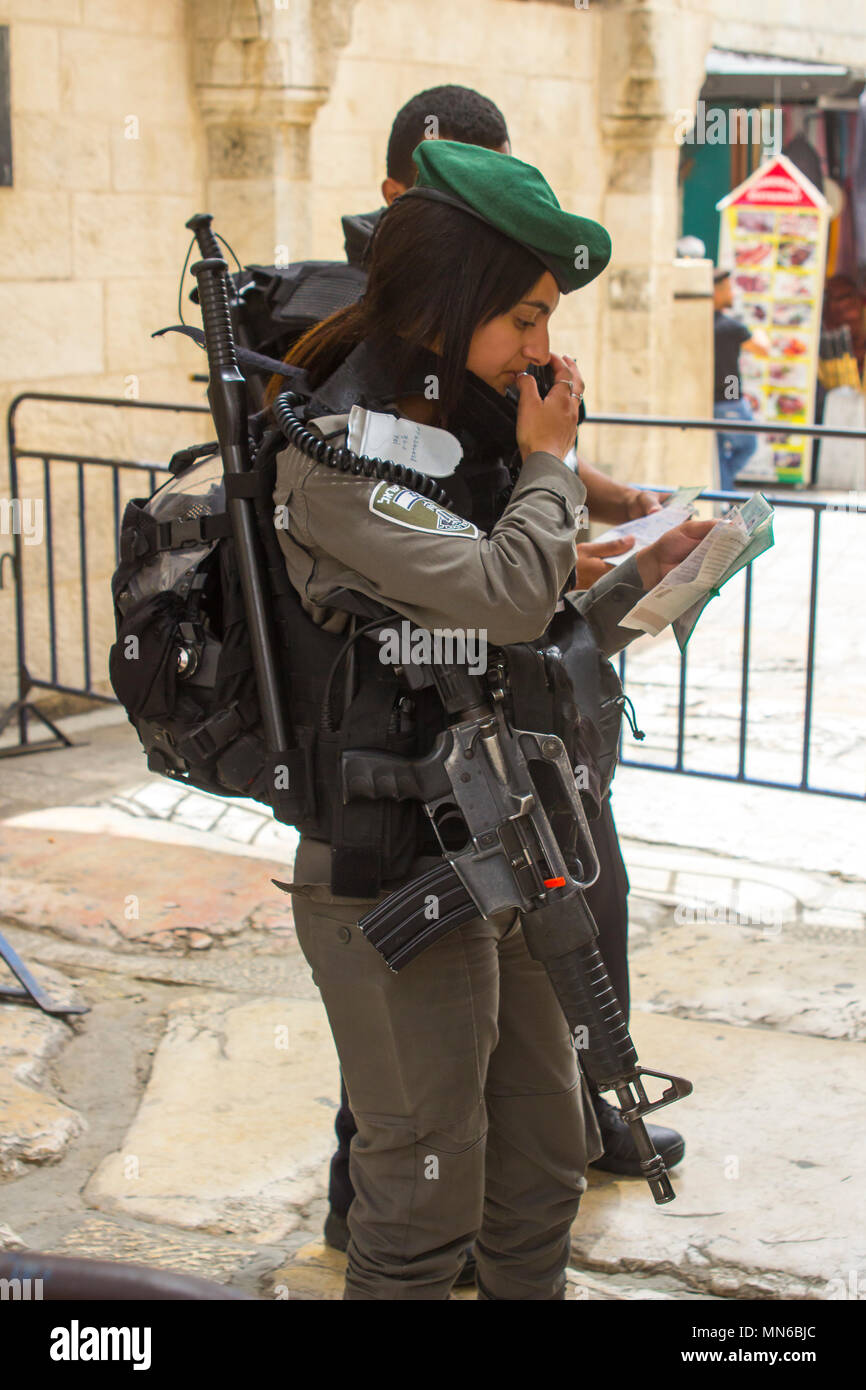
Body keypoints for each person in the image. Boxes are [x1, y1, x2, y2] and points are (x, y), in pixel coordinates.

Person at [271, 137, 714, 1299]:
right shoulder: (340, 442)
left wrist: (649, 575)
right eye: (522, 316)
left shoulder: (464, 429)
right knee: (422, 1193)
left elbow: (521, 622)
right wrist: (551, 466)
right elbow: (507, 593)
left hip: (511, 835)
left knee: (541, 1159)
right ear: (454, 295)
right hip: (393, 854)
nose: (541, 348)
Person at [713, 267, 769, 493]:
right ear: (716, 291)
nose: (733, 293)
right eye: (728, 288)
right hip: (729, 397)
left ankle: (721, 494)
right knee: (747, 446)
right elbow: (762, 348)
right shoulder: (731, 326)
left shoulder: (712, 323)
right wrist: (759, 328)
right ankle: (724, 493)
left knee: (718, 457)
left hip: (710, 400)